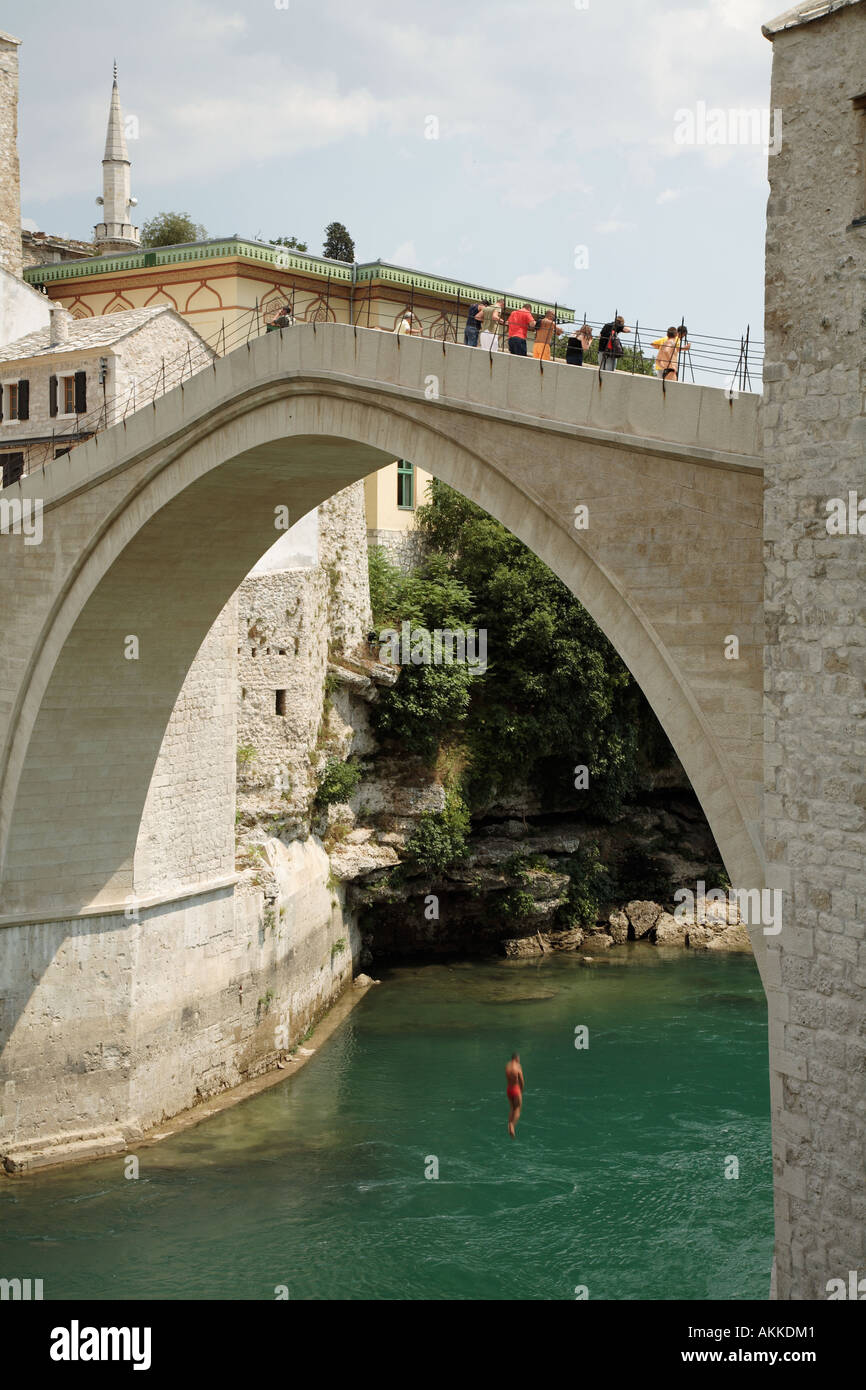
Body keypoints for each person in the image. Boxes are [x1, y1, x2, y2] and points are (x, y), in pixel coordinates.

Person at [505, 1052, 525, 1138]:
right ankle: (512, 1126)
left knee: (512, 1108)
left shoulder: (507, 1066)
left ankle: (509, 1124)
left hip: (509, 1089)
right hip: (516, 1089)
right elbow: (521, 1080)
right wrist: (521, 1090)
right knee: (518, 1109)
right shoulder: (518, 1066)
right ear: (517, 1058)